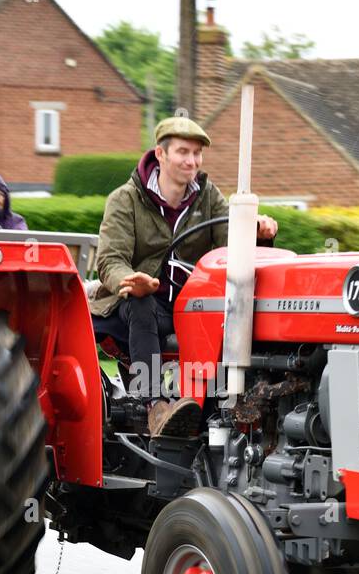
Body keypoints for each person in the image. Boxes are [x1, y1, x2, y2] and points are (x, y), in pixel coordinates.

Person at [91, 116, 277, 437]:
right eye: (183, 152)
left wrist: (256, 234)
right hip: (135, 305)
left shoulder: (208, 196)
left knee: (228, 312)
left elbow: (231, 244)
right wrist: (130, 280)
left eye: (197, 153)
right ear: (160, 154)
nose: (192, 161)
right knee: (141, 304)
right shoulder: (126, 199)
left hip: (187, 306)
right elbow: (110, 260)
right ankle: (155, 406)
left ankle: (221, 412)